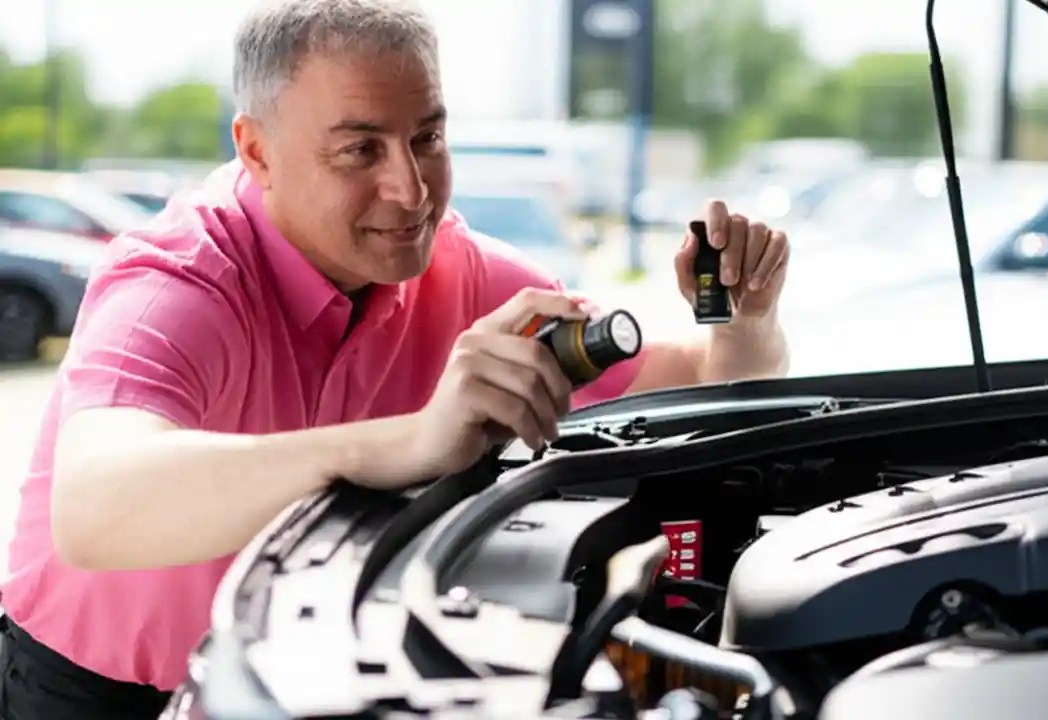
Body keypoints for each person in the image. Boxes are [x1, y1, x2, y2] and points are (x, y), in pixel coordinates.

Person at [0, 1, 791, 717]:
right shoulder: (176, 284)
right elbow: (92, 514)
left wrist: (746, 321)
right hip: (96, 693)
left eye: (428, 139)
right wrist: (408, 442)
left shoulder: (471, 275)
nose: (412, 190)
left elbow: (708, 385)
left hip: (315, 681)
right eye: (360, 150)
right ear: (256, 151)